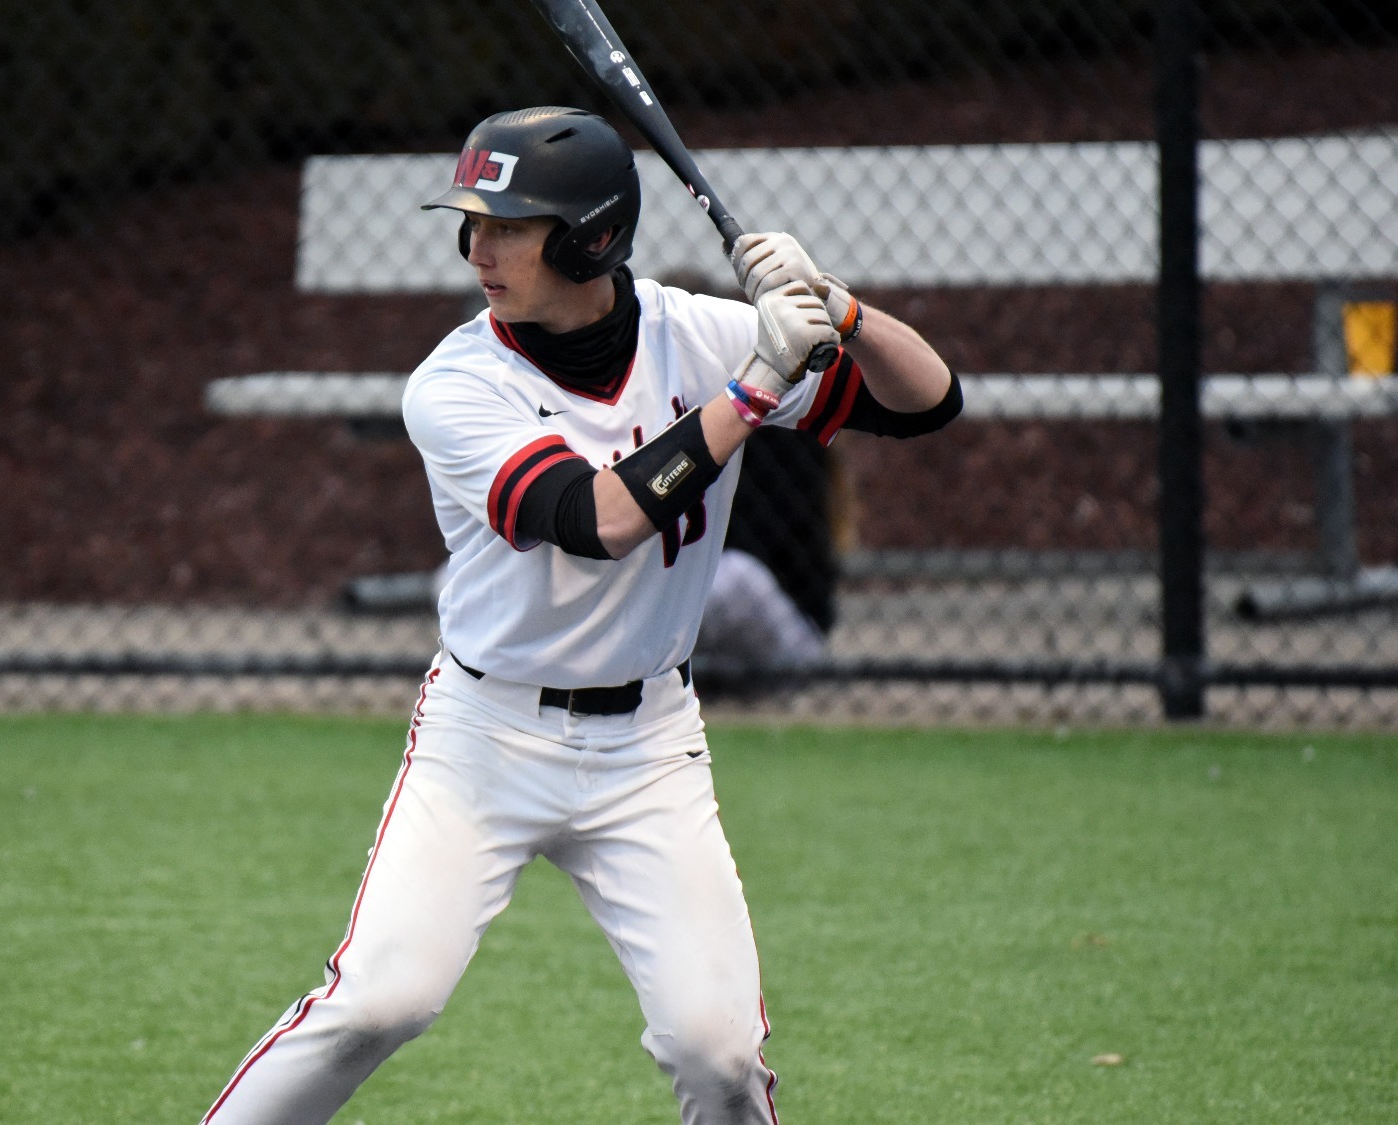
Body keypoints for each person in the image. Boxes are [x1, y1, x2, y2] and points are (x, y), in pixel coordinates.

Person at [201, 106, 960, 1125]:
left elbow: (928, 402)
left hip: (647, 746)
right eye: (472, 225)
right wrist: (753, 388)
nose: (478, 250)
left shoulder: (700, 334)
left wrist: (840, 308)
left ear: (590, 238)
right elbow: (597, 519)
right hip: (486, 735)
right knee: (379, 1003)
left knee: (720, 1054)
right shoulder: (456, 383)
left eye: (509, 227)